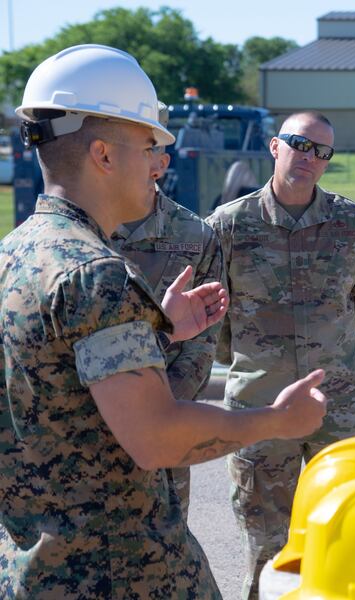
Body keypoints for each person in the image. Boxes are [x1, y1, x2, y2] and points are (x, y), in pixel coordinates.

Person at [0, 44, 327, 598]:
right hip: (114, 574)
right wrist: (275, 419)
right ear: (103, 155)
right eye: (150, 145)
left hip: (38, 571)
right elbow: (156, 439)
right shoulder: (95, 274)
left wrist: (157, 332)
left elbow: (52, 383)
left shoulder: (16, 253)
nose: (160, 164)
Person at [206, 110, 355, 599]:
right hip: (260, 408)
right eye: (299, 144)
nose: (309, 157)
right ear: (274, 147)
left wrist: (330, 341)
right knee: (267, 546)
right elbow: (210, 314)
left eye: (321, 151)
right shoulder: (228, 226)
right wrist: (252, 357)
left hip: (339, 406)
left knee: (350, 535)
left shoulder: (350, 224)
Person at [110, 102, 224, 521]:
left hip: (165, 423)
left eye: (145, 147)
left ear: (161, 163)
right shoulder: (81, 234)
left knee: (164, 547)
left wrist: (159, 408)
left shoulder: (194, 236)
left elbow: (204, 340)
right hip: (87, 425)